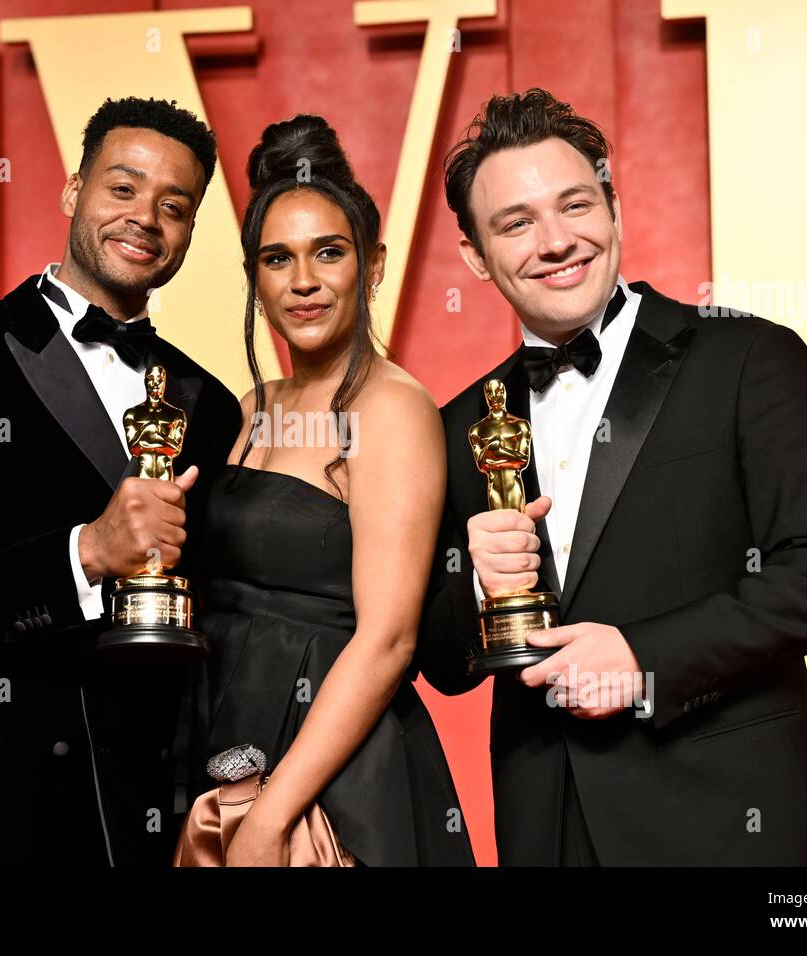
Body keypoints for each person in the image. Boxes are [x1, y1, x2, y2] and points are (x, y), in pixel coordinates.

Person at [417, 89, 807, 865]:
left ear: (614, 207)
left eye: (575, 205)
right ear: (475, 257)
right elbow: (442, 663)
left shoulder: (748, 358)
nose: (557, 240)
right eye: (518, 222)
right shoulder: (460, 425)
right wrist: (476, 590)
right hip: (549, 824)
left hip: (730, 820)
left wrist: (642, 659)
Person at [0, 97, 242, 866]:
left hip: (136, 825)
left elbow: (215, 633)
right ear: (72, 191)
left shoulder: (210, 404)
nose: (145, 220)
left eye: (175, 206)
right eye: (122, 189)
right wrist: (86, 553)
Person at [192, 115, 474, 866]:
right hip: (225, 746)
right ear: (254, 275)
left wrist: (272, 816)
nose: (304, 282)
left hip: (334, 775)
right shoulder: (249, 408)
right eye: (277, 259)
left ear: (373, 264)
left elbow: (388, 640)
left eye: (329, 253)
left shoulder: (393, 409)